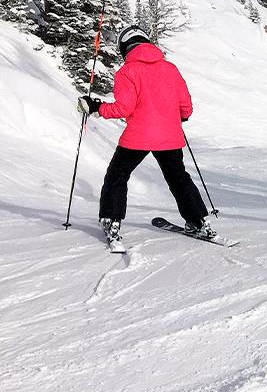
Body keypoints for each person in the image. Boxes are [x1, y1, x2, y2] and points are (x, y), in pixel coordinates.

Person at [77, 26, 216, 245]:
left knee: (118, 175)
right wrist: (180, 116)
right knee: (178, 178)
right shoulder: (170, 68)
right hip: (170, 137)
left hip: (138, 136)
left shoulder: (127, 72)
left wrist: (97, 108)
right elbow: (186, 107)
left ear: (124, 47)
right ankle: (199, 222)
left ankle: (112, 221)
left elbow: (123, 108)